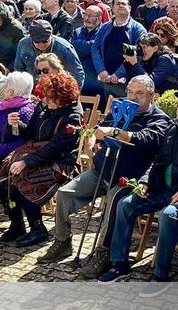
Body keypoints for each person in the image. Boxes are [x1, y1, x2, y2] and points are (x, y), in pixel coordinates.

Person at [99, 88, 178, 294]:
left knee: (168, 215)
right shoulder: (173, 127)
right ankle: (120, 264)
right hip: (164, 188)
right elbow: (158, 161)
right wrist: (145, 182)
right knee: (125, 204)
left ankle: (160, 276)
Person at [39, 75, 170, 266]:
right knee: (64, 194)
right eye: (130, 92)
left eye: (139, 94)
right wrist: (92, 140)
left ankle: (104, 252)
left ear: (152, 96)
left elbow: (145, 138)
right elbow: (100, 128)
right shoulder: (122, 108)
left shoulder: (159, 119)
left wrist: (116, 133)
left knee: (112, 206)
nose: (132, 98)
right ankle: (62, 241)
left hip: (128, 179)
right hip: (102, 170)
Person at [0, 72, 83, 248]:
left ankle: (38, 230)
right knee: (3, 182)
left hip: (60, 162)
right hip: (36, 154)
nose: (46, 101)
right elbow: (30, 133)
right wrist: (16, 125)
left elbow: (55, 148)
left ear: (63, 97)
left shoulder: (72, 117)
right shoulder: (44, 107)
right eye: (46, 96)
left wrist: (26, 162)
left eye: (51, 98)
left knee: (23, 184)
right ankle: (17, 224)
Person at [93, 0, 147, 96]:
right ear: (112, 9)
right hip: (105, 79)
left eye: (124, 4)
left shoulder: (138, 29)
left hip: (126, 82)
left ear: (130, 8)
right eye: (118, 4)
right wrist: (101, 70)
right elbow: (95, 48)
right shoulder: (104, 27)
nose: (121, 6)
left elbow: (139, 53)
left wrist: (119, 73)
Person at [15, 19, 85, 87]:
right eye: (37, 41)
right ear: (31, 38)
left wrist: (71, 94)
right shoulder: (23, 44)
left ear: (51, 36)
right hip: (33, 88)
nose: (41, 44)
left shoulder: (64, 48)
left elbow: (77, 73)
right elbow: (19, 69)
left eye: (45, 41)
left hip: (57, 90)